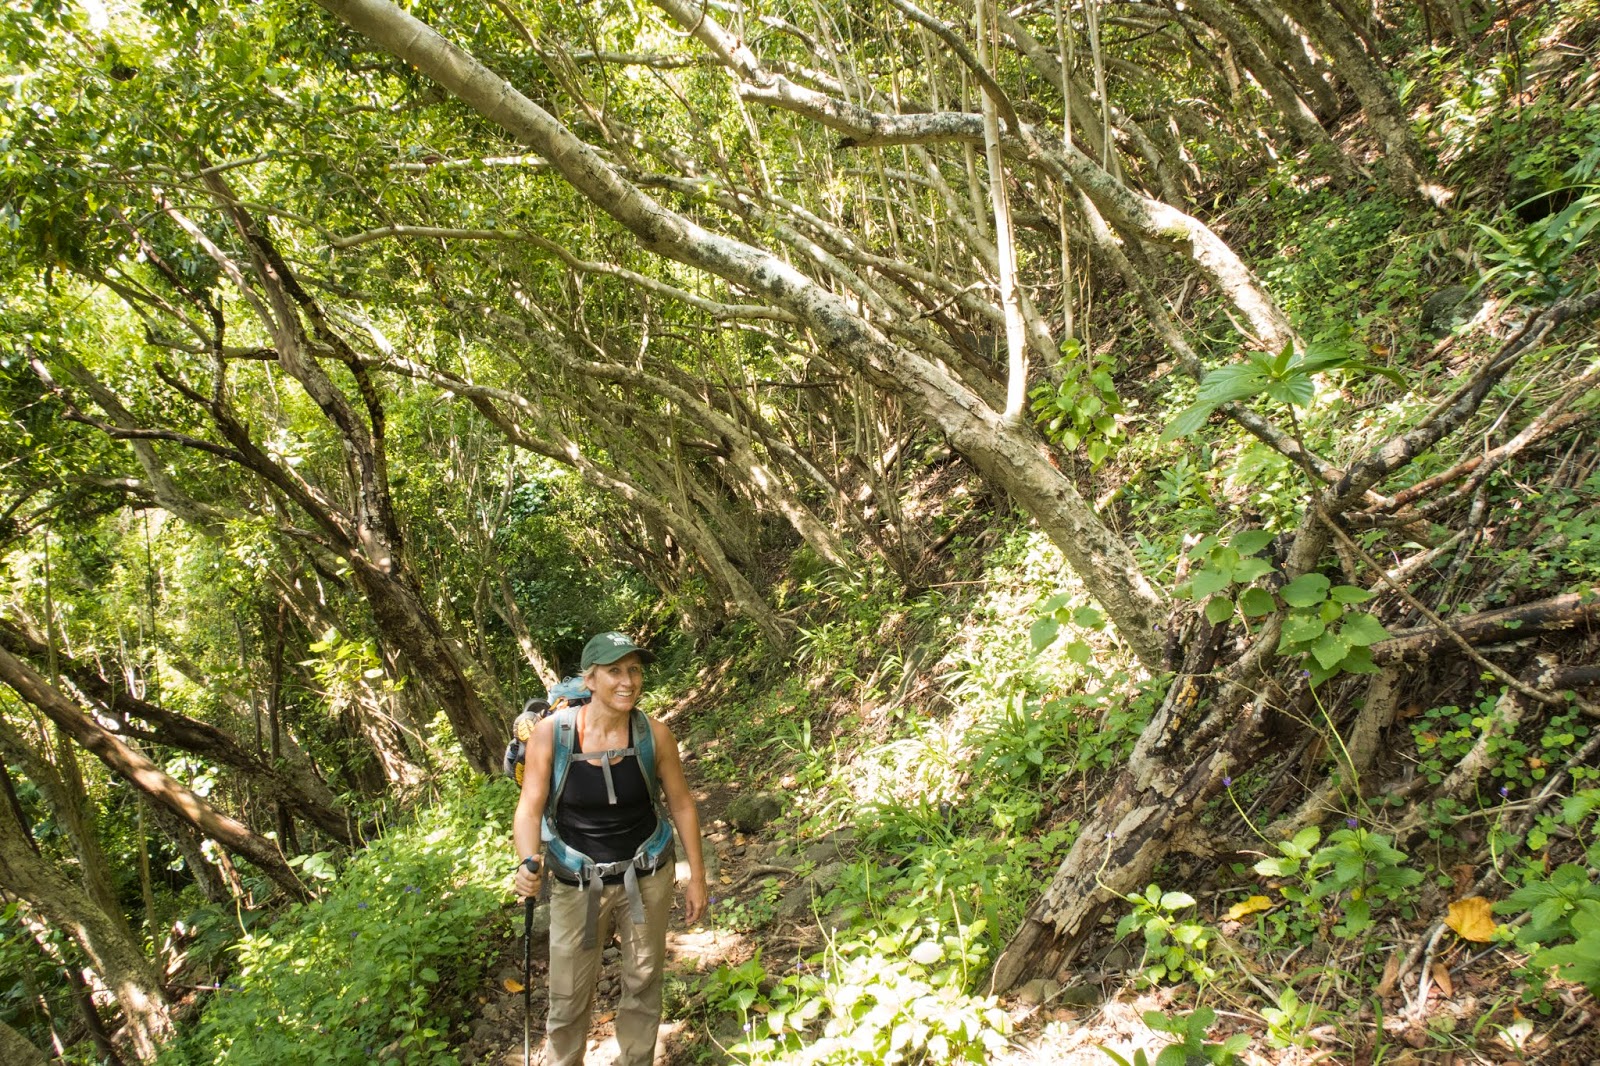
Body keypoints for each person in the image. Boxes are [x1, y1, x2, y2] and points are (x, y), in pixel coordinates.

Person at [513, 631, 708, 1066]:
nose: (628, 681)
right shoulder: (551, 735)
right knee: (566, 997)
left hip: (647, 874)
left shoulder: (654, 735)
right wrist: (528, 860)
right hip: (576, 883)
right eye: (614, 671)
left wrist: (697, 877)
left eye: (634, 670)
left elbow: (681, 803)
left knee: (643, 982)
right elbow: (529, 808)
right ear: (590, 680)